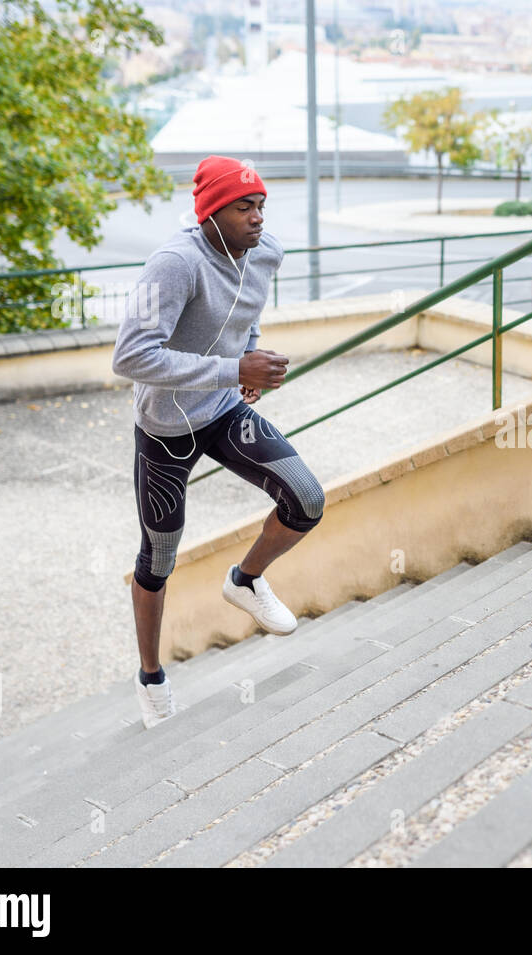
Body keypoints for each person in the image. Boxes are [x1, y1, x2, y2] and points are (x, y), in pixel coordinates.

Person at [111, 155, 326, 729]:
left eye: (261, 206)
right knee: (159, 557)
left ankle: (246, 581)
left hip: (224, 408)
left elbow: (247, 312)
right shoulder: (175, 265)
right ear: (209, 213)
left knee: (305, 498)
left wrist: (249, 359)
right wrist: (236, 368)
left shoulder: (266, 250)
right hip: (166, 426)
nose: (257, 218)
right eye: (243, 207)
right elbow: (129, 356)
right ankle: (151, 676)